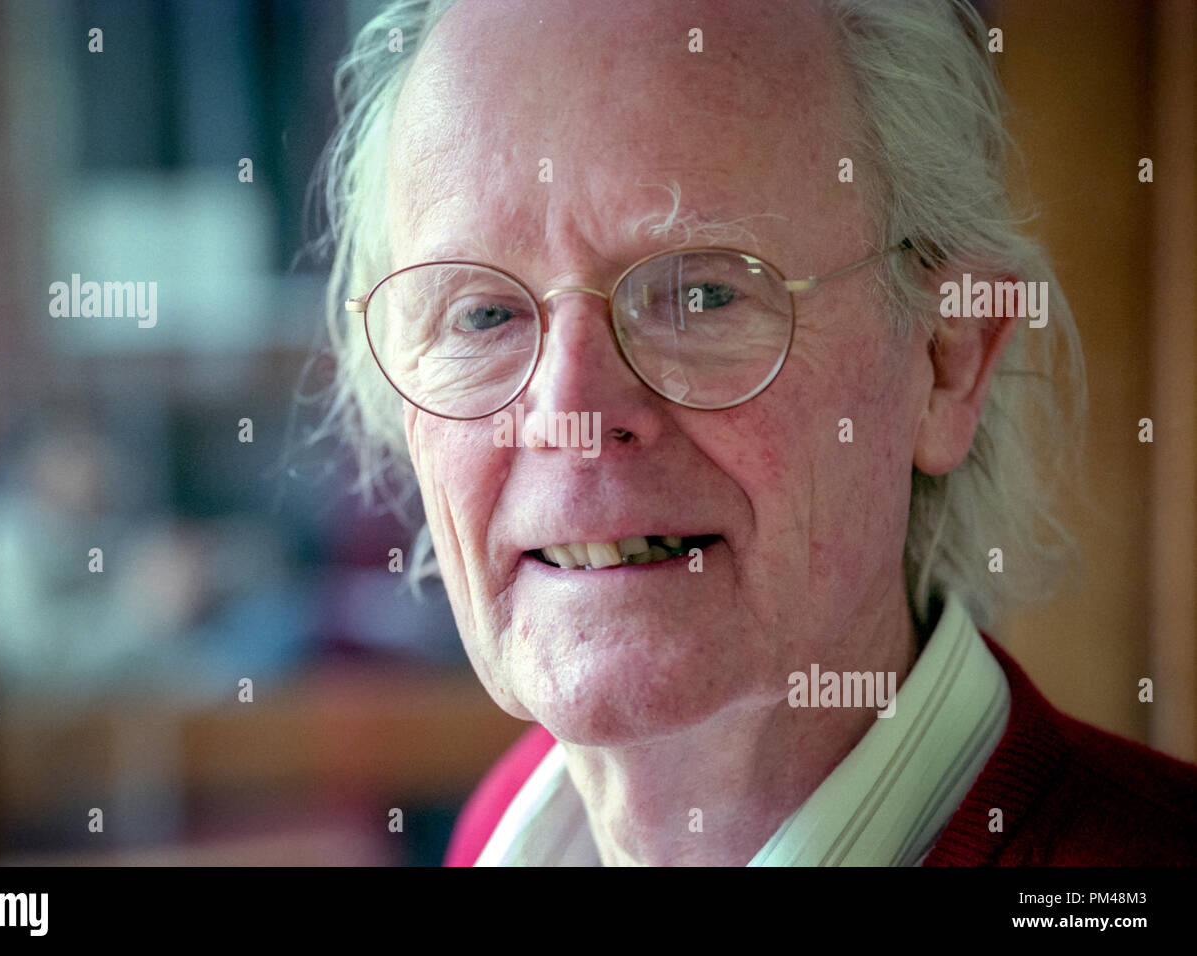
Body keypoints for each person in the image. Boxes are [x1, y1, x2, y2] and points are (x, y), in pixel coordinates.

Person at [316, 0, 1197, 865]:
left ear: (946, 359)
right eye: (483, 315)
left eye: (700, 296)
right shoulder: (505, 824)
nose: (572, 416)